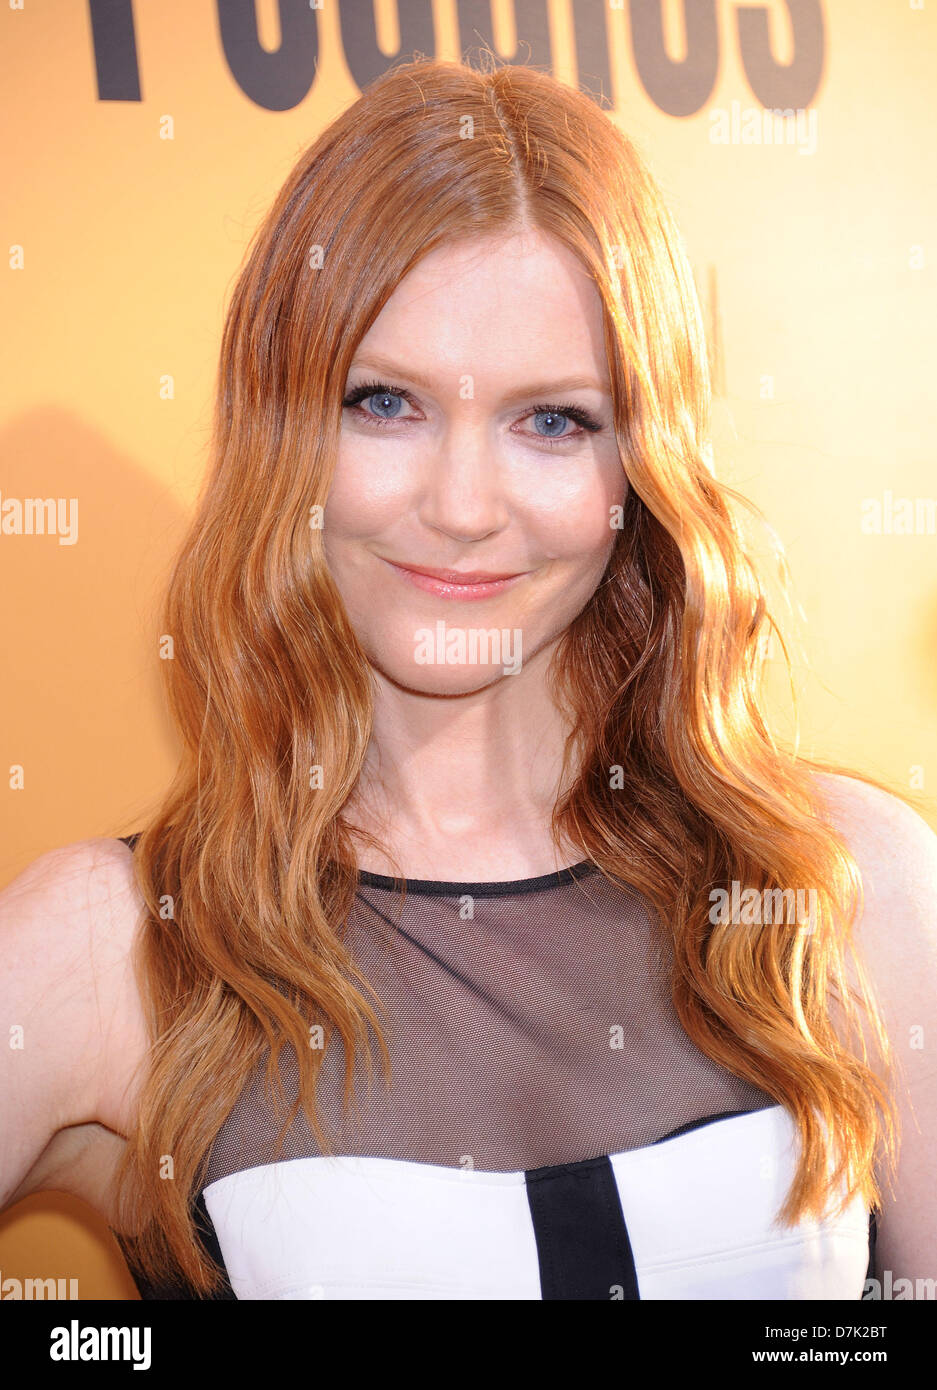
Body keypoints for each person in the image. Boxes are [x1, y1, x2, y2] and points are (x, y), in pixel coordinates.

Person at [1, 55, 934, 1302]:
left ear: (636, 473)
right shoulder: (121, 944)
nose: (459, 507)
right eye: (384, 402)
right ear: (284, 432)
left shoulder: (845, 882)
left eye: (551, 420)